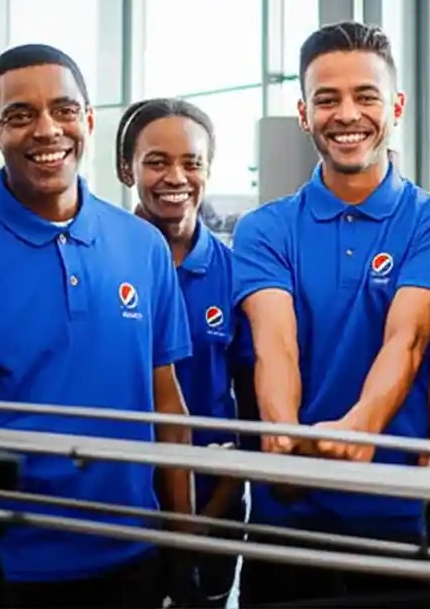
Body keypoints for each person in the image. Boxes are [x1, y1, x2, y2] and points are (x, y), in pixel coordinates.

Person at [0, 44, 195, 608]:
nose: (47, 129)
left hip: (131, 557)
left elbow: (167, 408)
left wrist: (183, 542)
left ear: (89, 120)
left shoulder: (143, 247)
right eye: (20, 115)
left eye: (63, 110)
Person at [231, 21, 430, 605]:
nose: (347, 114)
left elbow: (406, 342)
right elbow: (275, 344)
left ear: (397, 106)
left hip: (391, 516)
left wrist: (361, 429)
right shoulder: (265, 228)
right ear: (305, 113)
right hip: (285, 518)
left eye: (366, 96)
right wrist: (286, 445)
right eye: (327, 99)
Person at [116, 97, 255, 606]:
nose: (176, 176)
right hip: (121, 501)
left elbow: (250, 407)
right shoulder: (103, 261)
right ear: (127, 168)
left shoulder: (236, 273)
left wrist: (208, 512)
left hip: (215, 501)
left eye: (191, 163)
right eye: (156, 161)